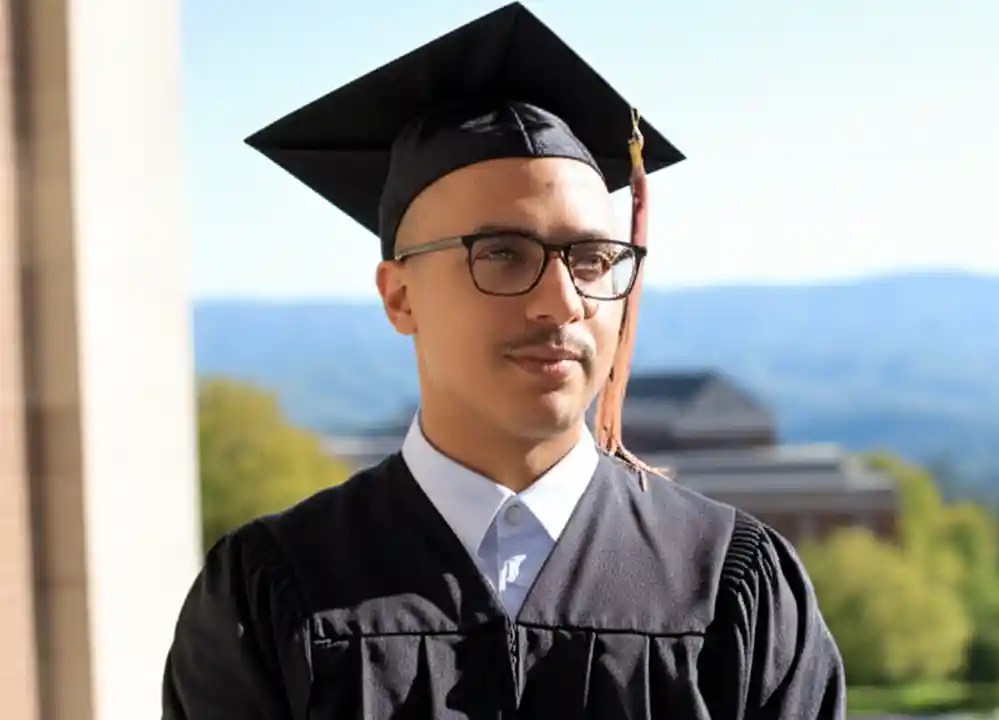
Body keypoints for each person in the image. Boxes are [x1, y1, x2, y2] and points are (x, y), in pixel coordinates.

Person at [161, 3, 846, 718]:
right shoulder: (272, 592)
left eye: (592, 259)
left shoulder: (732, 587)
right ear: (400, 297)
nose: (562, 301)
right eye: (502, 254)